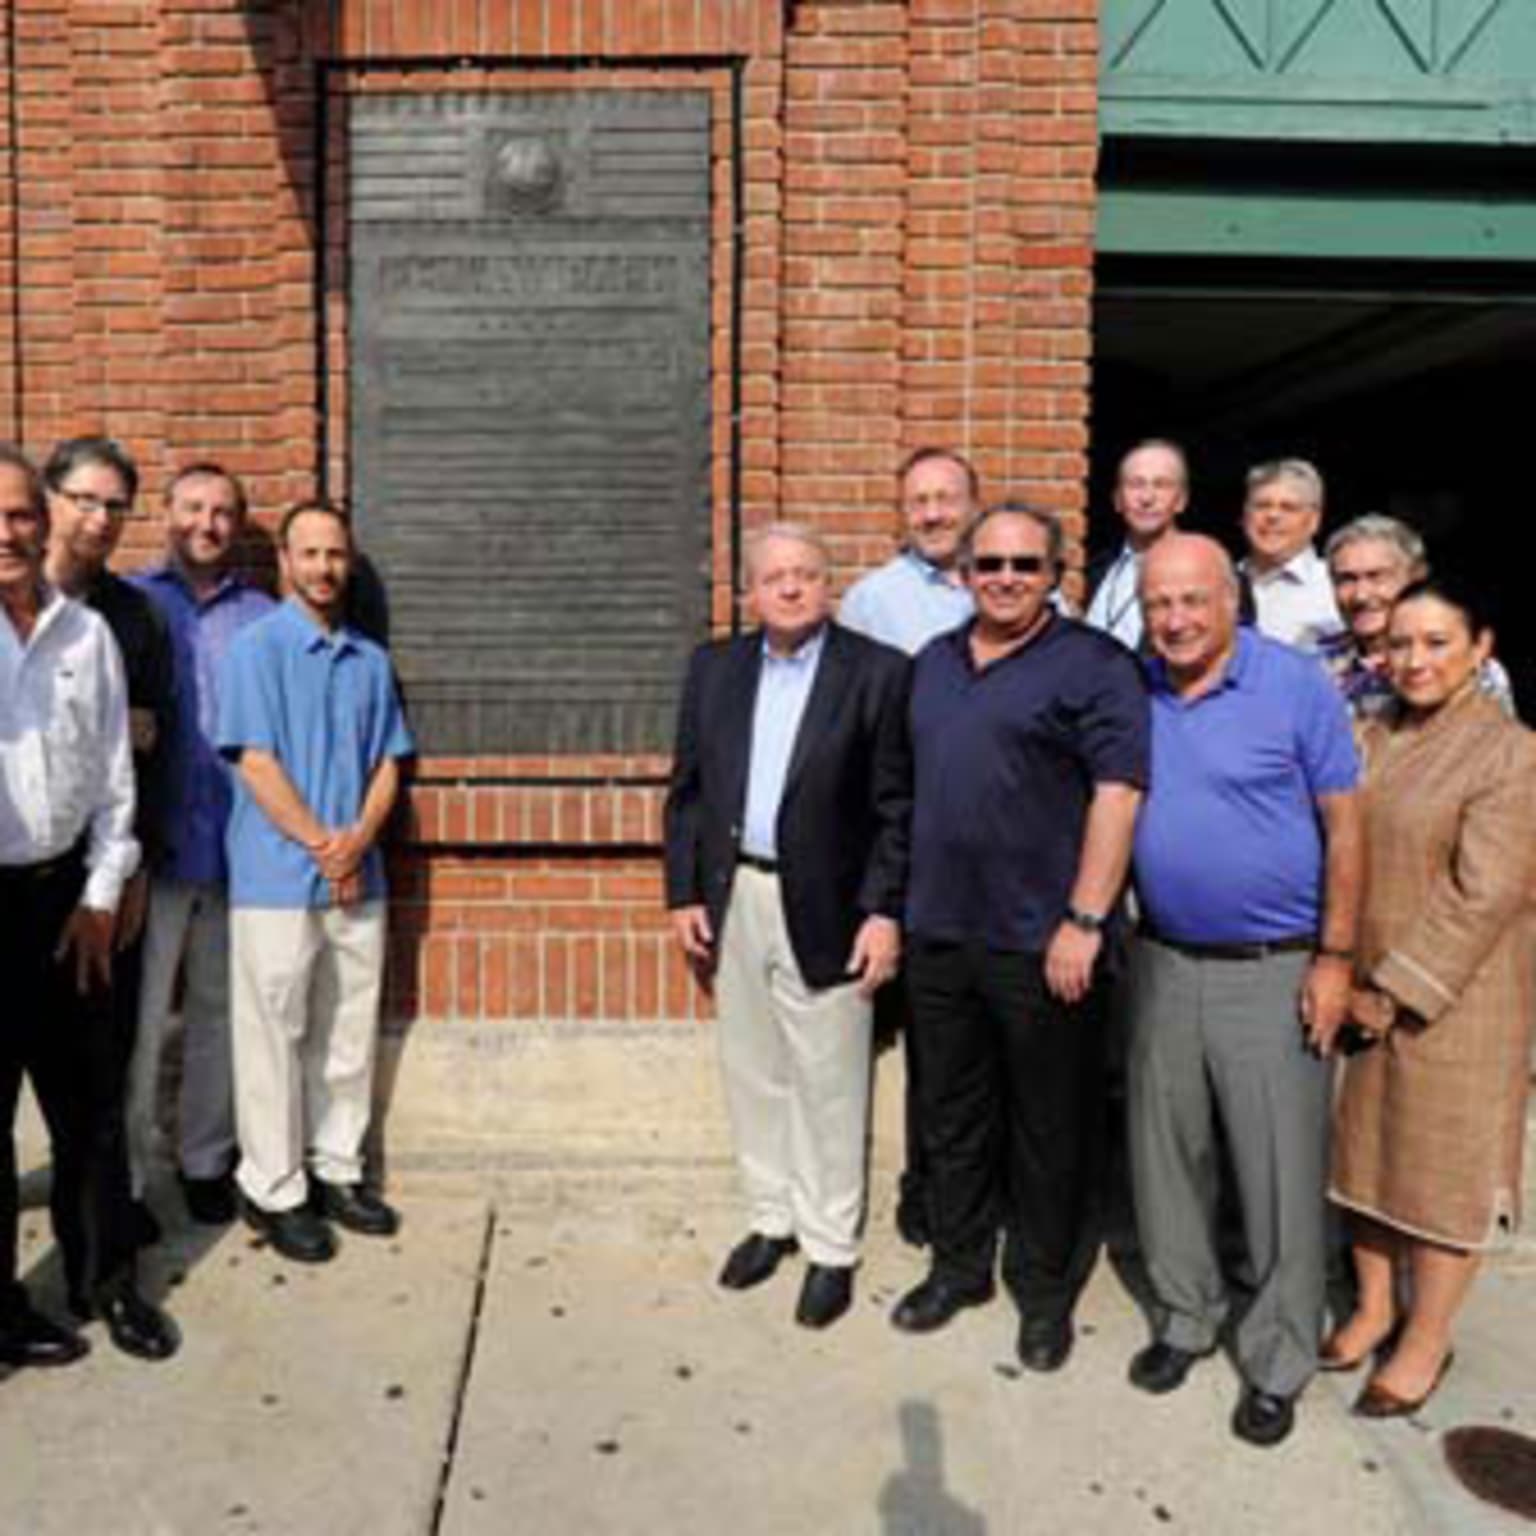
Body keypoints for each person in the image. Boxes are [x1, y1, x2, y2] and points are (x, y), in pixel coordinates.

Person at [892, 505, 1147, 1372]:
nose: (1006, 577)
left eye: (1025, 564)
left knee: (1050, 1129)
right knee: (951, 1118)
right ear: (963, 570)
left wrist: (1084, 918)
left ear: (1056, 574)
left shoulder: (1095, 665)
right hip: (939, 933)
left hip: (1044, 942)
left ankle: (1043, 1294)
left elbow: (1119, 794)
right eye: (989, 562)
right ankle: (959, 1268)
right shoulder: (931, 666)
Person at [1125, 533, 1362, 1447]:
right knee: (1164, 1154)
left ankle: (1276, 1357)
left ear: (1232, 600)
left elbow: (1347, 827)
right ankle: (1186, 1317)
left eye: (1193, 600)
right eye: (1159, 604)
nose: (1176, 620)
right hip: (1164, 959)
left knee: (1277, 1176)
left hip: (1275, 968)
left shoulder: (1293, 685)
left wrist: (1336, 957)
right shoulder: (1137, 686)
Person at [664, 523, 911, 1329]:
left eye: (807, 573)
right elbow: (690, 793)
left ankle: (830, 1246)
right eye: (776, 577)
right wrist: (684, 894)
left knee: (831, 1083)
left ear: (827, 583)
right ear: (750, 591)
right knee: (754, 1070)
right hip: (735, 897)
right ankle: (771, 1219)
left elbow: (895, 810)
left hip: (834, 909)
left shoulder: (877, 675)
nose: (793, 587)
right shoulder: (715, 669)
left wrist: (883, 911)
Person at [1326, 577, 1536, 1417]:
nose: (1413, 660)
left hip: (1457, 997)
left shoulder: (1511, 751)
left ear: (1480, 647)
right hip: (1363, 986)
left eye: (1436, 642)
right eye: (1400, 643)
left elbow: (1486, 893)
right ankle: (1376, 1307)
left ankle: (1425, 1340)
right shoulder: (1374, 735)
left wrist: (1391, 991)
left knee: (1442, 1173)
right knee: (1368, 1155)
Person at [0, 445, 173, 1369]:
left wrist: (103, 893)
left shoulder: (90, 635)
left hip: (70, 902)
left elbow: (115, 781)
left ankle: (108, 1286)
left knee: (93, 1109)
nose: (10, 531)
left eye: (22, 514)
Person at [217, 501, 414, 1264]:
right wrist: (319, 844)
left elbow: (388, 763)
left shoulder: (369, 659)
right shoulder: (255, 649)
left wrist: (357, 841)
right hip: (275, 878)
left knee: (347, 1031)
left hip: (357, 877)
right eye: (310, 553)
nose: (324, 568)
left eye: (336, 555)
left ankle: (337, 1169)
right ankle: (274, 1188)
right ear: (286, 563)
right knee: (272, 1036)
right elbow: (255, 760)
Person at [127, 464, 275, 1226]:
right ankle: (125, 1172)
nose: (207, 524)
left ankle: (205, 1159)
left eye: (223, 512)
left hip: (236, 850)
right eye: (193, 508)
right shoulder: (131, 602)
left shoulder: (262, 615)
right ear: (167, 512)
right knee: (142, 1018)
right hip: (151, 851)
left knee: (221, 1013)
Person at [839, 446, 978, 1250]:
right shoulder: (871, 601)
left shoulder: (1025, 587)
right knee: (936, 1041)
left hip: (1006, 859)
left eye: (946, 498)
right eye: (918, 501)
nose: (931, 513)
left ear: (972, 502)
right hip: (921, 854)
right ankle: (925, 1189)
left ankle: (986, 1189)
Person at [1321, 513, 1515, 721]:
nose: (1361, 595)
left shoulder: (1469, 668)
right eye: (1346, 579)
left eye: (1377, 576)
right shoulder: (1313, 665)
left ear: (1417, 578)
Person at [1084, 440, 1189, 651]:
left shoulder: (1212, 575)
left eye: (1161, 485)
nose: (1147, 498)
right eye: (1136, 484)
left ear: (1181, 501)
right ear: (1117, 500)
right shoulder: (1093, 571)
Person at [1239, 458, 1343, 651]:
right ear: (1245, 515)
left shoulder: (1336, 585)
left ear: (1314, 521)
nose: (1272, 516)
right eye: (1262, 505)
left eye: (1288, 508)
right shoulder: (1219, 583)